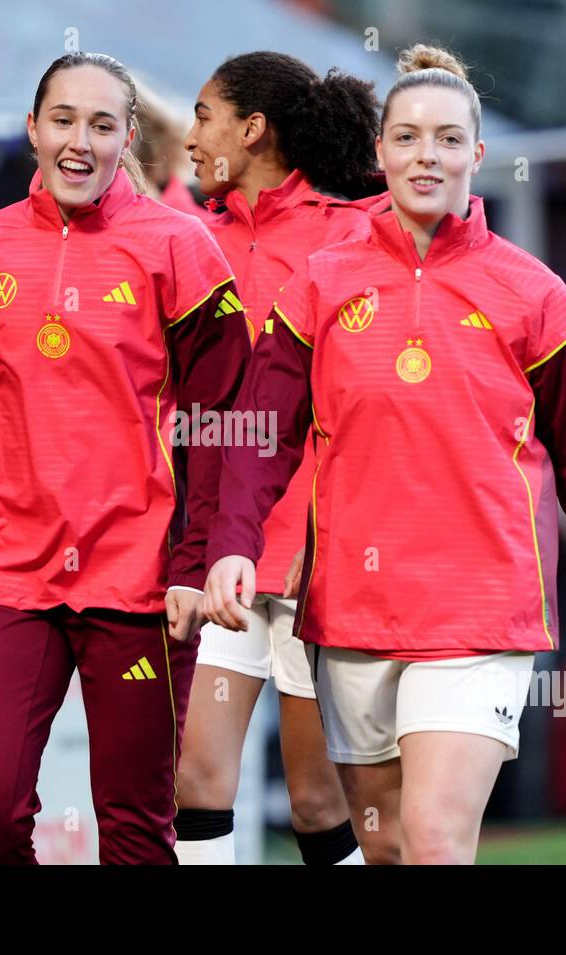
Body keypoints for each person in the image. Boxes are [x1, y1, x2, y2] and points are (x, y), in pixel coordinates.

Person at [203, 44, 566, 864]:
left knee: (433, 838)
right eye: (409, 138)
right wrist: (233, 545)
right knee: (384, 850)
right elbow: (261, 435)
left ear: (478, 155)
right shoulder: (319, 283)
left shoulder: (534, 295)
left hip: (480, 615)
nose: (429, 156)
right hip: (350, 616)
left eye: (449, 139)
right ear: (381, 150)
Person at [0, 51, 249, 864]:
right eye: (63, 120)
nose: (80, 141)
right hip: (7, 577)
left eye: (103, 124)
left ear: (128, 137)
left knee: (134, 831)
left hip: (139, 579)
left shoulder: (184, 249)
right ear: (33, 129)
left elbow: (224, 422)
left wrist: (192, 562)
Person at [173, 51, 381, 865]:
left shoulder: (353, 231)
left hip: (318, 557)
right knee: (195, 776)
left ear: (250, 129)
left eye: (201, 115)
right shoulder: (191, 240)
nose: (191, 137)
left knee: (316, 796)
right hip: (220, 551)